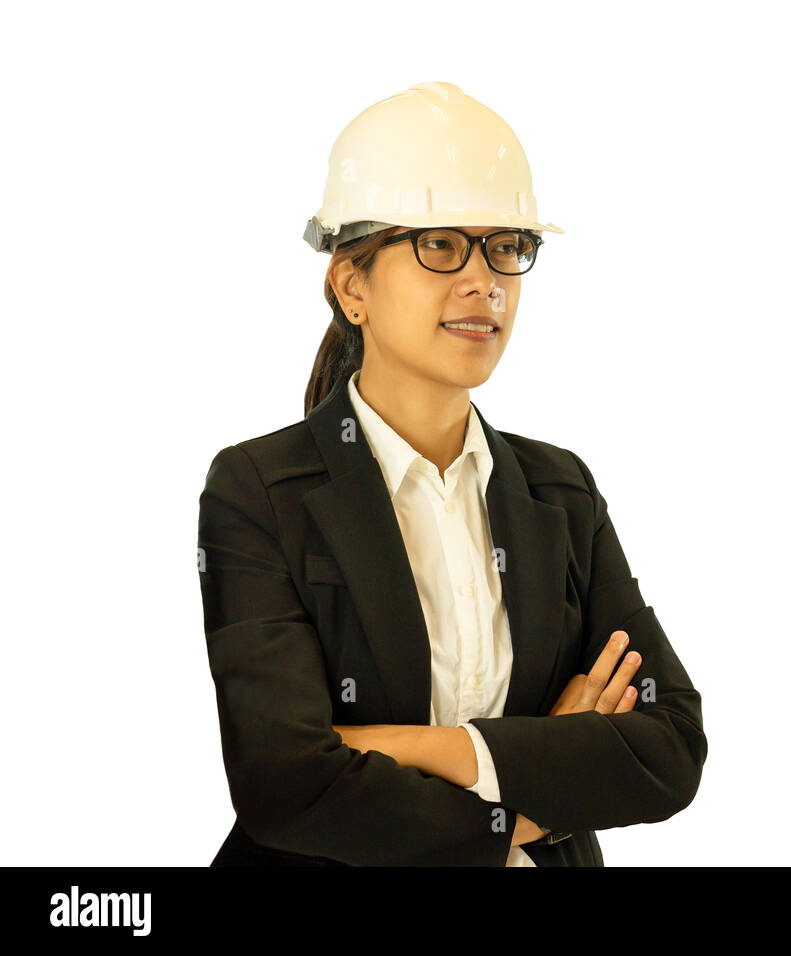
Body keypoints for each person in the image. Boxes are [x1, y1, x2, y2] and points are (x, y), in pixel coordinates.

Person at [196, 82, 707, 865]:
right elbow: (283, 782)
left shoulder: (559, 491)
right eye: (439, 244)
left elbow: (671, 746)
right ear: (351, 285)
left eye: (505, 245)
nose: (485, 280)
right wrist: (544, 772)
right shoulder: (261, 491)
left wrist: (419, 748)